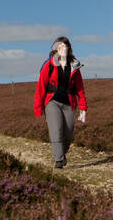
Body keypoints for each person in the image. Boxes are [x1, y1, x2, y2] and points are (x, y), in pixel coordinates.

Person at [32, 36, 88, 168]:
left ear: (69, 48)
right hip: (52, 102)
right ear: (56, 49)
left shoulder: (74, 66)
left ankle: (61, 155)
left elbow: (80, 89)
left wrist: (83, 108)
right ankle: (58, 160)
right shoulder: (49, 65)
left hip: (69, 103)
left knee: (68, 134)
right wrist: (38, 108)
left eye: (65, 46)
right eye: (60, 46)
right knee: (56, 130)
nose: (63, 49)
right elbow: (40, 88)